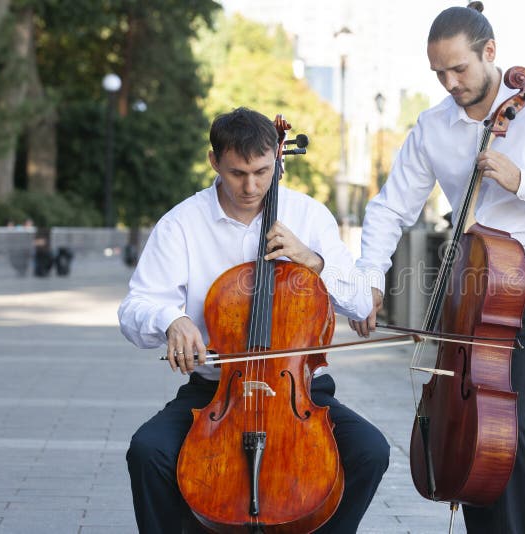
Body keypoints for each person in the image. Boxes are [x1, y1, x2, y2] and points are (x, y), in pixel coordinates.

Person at [350, 3, 525, 533]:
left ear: (490, 52)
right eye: (439, 73)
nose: (450, 82)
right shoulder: (433, 127)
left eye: (460, 69)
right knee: (474, 419)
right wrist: (369, 278)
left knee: (519, 422)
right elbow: (390, 208)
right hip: (474, 281)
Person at [119, 107, 389, 534]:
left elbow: (359, 304)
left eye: (263, 172)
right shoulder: (182, 224)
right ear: (214, 162)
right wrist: (170, 320)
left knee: (370, 451)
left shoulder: (308, 216)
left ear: (277, 161)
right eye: (237, 173)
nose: (252, 186)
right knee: (147, 451)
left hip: (298, 393)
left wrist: (312, 260)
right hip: (217, 393)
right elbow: (134, 309)